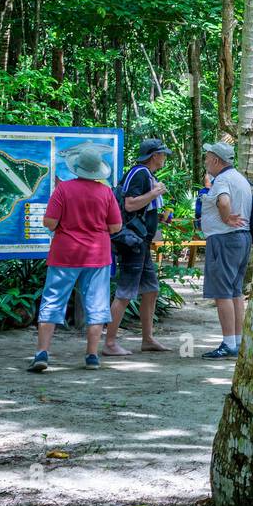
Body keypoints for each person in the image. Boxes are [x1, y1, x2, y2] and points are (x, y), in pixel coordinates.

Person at [28, 145, 122, 372]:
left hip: (64, 254)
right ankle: (91, 356)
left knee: (53, 300)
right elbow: (116, 226)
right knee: (96, 305)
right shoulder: (106, 193)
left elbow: (49, 222)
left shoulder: (63, 190)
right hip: (97, 255)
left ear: (77, 167)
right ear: (98, 171)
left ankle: (42, 352)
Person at [103, 138, 173, 356]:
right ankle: (110, 343)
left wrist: (159, 217)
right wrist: (154, 193)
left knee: (151, 290)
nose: (165, 158)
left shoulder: (146, 175)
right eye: (163, 154)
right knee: (125, 292)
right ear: (154, 156)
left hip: (142, 241)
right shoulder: (140, 173)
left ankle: (148, 339)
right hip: (132, 242)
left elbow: (139, 208)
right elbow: (130, 204)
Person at [199, 142, 253, 358]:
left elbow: (223, 201)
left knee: (222, 293)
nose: (205, 162)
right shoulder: (240, 178)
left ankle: (228, 343)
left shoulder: (222, 180)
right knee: (235, 291)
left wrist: (225, 216)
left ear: (215, 160)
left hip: (224, 239)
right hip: (242, 239)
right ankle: (237, 341)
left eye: (207, 157)